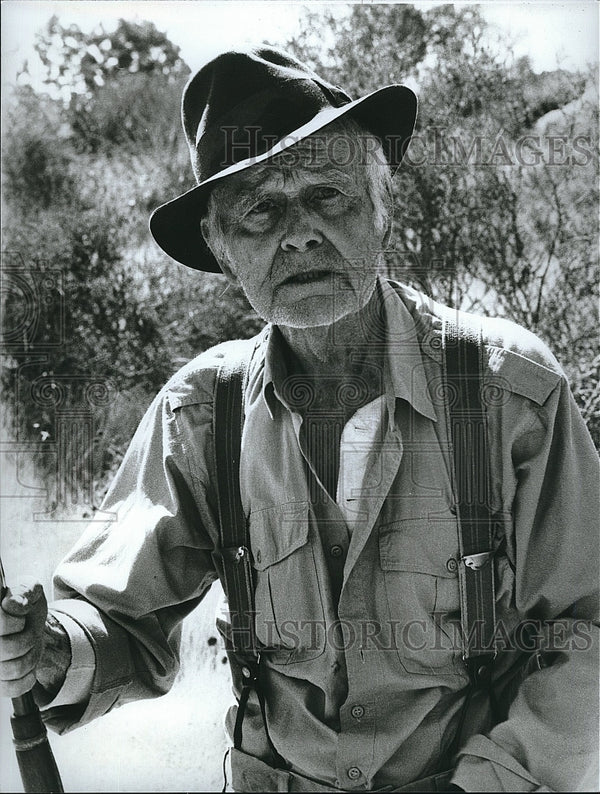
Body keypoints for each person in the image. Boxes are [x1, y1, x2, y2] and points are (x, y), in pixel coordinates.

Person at [1, 47, 598, 793]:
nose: (300, 233)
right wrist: (55, 650)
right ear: (220, 249)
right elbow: (118, 621)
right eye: (260, 210)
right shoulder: (201, 415)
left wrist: (492, 781)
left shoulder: (512, 395)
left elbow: (586, 630)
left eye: (329, 196)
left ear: (381, 210)